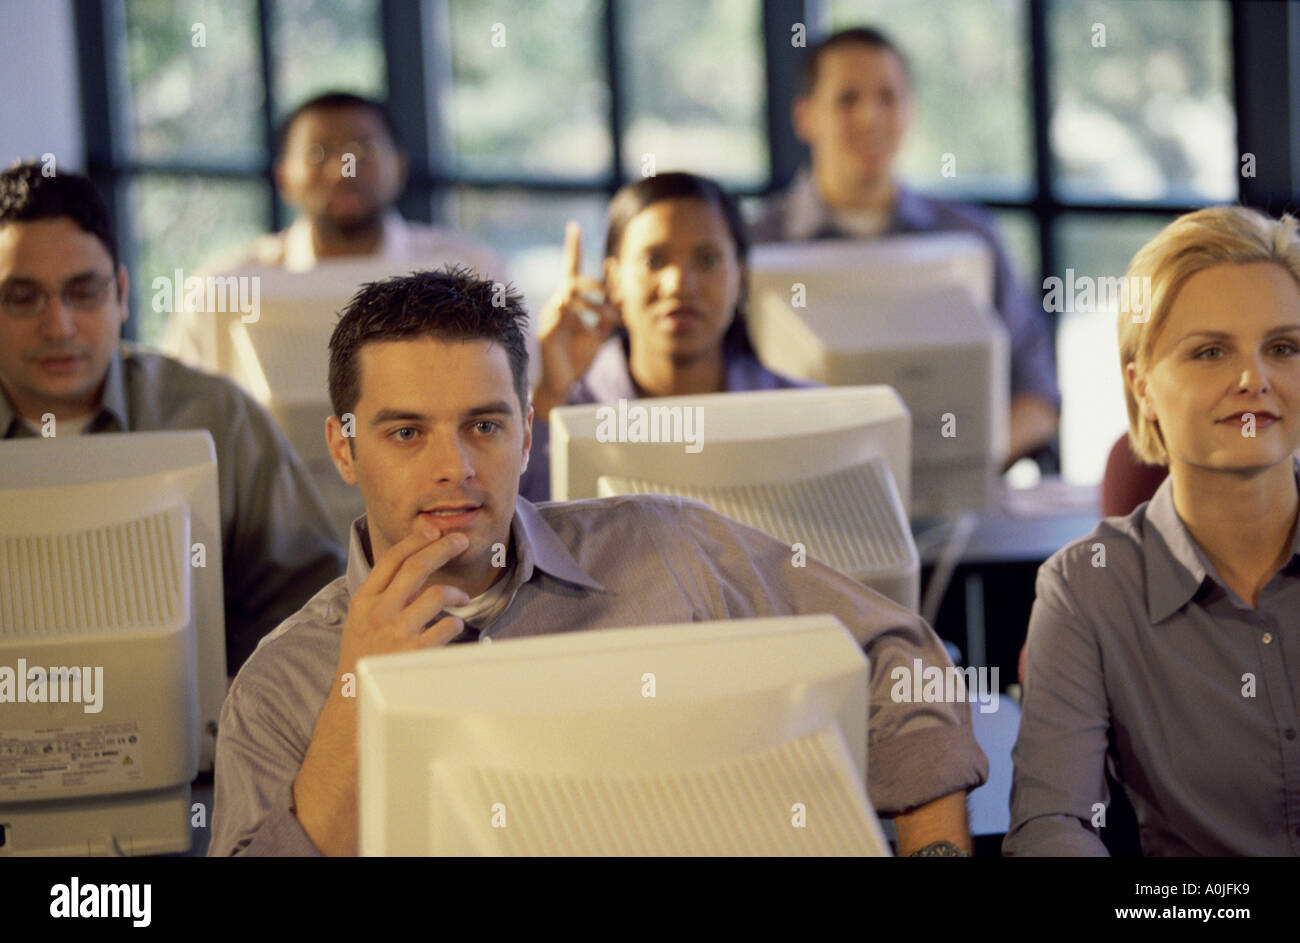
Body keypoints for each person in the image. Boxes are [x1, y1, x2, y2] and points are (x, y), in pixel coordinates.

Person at [208, 266, 989, 857]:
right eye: (406, 433)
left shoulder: (665, 546)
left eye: (483, 424)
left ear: (526, 432)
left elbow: (898, 651)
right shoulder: (282, 685)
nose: (455, 466)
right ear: (344, 447)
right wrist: (354, 695)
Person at [1005, 205, 1300, 856]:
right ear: (1142, 388)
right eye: (1210, 351)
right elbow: (1052, 828)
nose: (1254, 379)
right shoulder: (1086, 590)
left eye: (1283, 347)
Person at [0, 162, 345, 674]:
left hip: (204, 739)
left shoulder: (214, 417)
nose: (59, 325)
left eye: (83, 291)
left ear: (120, 293)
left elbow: (311, 608)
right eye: (23, 297)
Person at [751, 27, 1060, 466]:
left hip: (956, 503)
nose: (870, 118)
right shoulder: (755, 245)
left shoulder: (968, 238)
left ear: (909, 112)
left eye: (888, 98)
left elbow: (1039, 396)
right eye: (848, 99)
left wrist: (961, 465)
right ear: (805, 117)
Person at [522, 171, 807, 501]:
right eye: (653, 260)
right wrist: (551, 396)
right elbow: (514, 530)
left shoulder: (806, 415)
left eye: (708, 260)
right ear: (613, 282)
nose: (679, 285)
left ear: (739, 280)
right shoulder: (560, 409)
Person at [163, 91, 504, 367]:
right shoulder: (222, 288)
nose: (343, 171)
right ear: (284, 177)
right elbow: (182, 419)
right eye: (317, 152)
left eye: (362, 149)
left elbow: (520, 401)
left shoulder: (471, 274)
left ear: (399, 168)